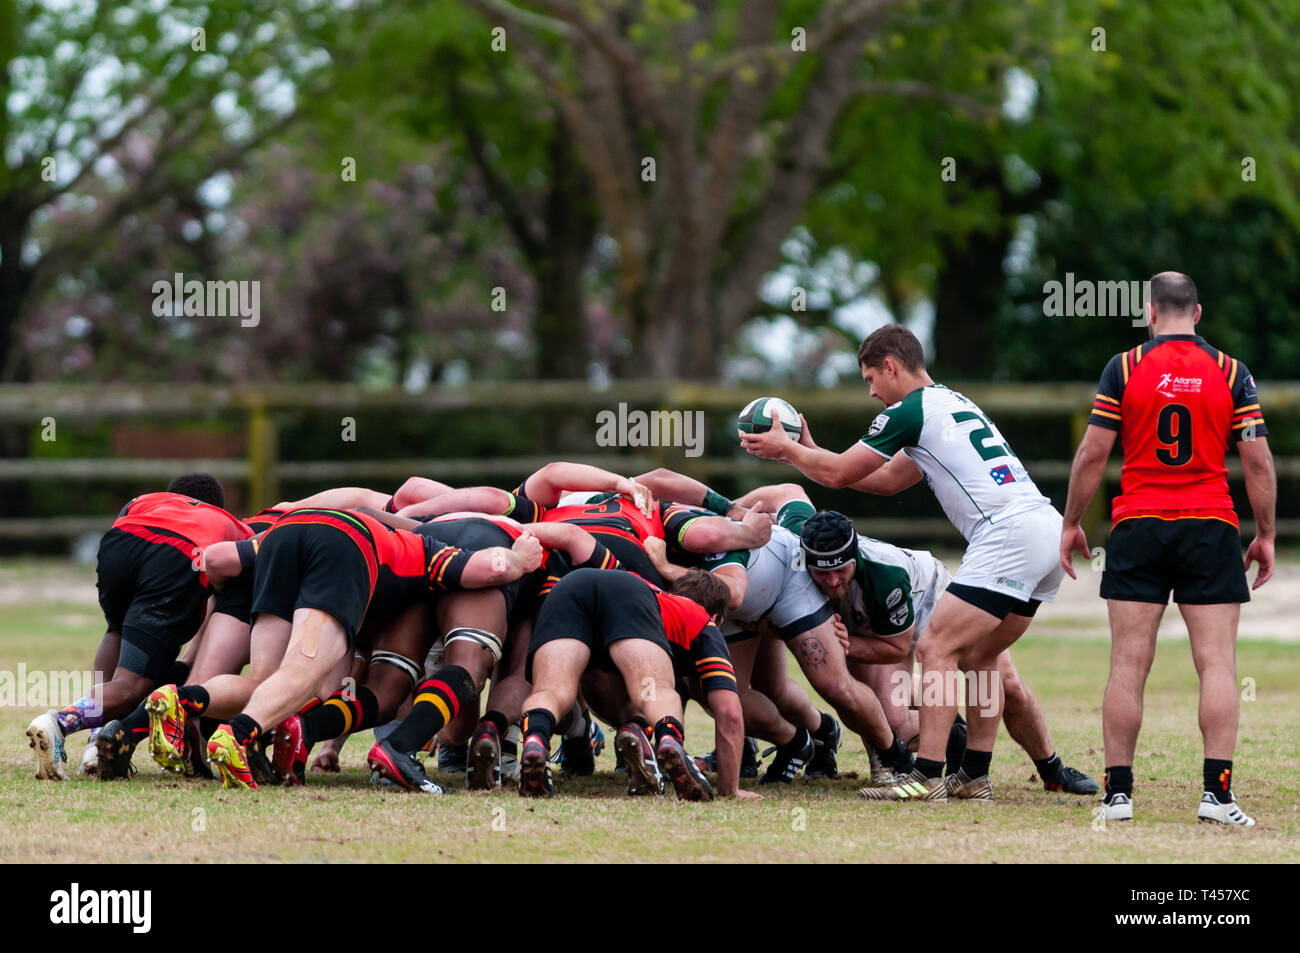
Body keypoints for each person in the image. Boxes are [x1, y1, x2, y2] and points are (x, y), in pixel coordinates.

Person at [742, 325, 1066, 801]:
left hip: (1007, 532)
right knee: (980, 657)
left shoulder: (908, 410)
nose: (872, 391)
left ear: (890, 367)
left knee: (935, 647)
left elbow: (836, 474)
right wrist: (807, 451)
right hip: (1045, 529)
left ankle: (927, 776)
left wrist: (787, 449)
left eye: (871, 377)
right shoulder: (952, 403)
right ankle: (974, 774)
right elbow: (887, 481)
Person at [1059, 272, 1274, 826]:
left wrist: (1072, 523)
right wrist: (1267, 534)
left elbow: (1090, 456)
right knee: (1217, 665)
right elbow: (1257, 461)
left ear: (1150, 312)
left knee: (1128, 664)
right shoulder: (1231, 372)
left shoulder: (1125, 367)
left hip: (1138, 526)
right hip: (1211, 526)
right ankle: (1217, 797)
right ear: (1197, 313)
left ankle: (1117, 797)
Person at [26, 474, 251, 781]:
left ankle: (96, 739)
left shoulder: (145, 500)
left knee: (115, 629)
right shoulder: (228, 523)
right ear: (216, 505)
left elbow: (121, 523)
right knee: (131, 686)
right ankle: (60, 723)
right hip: (175, 558)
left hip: (121, 544)